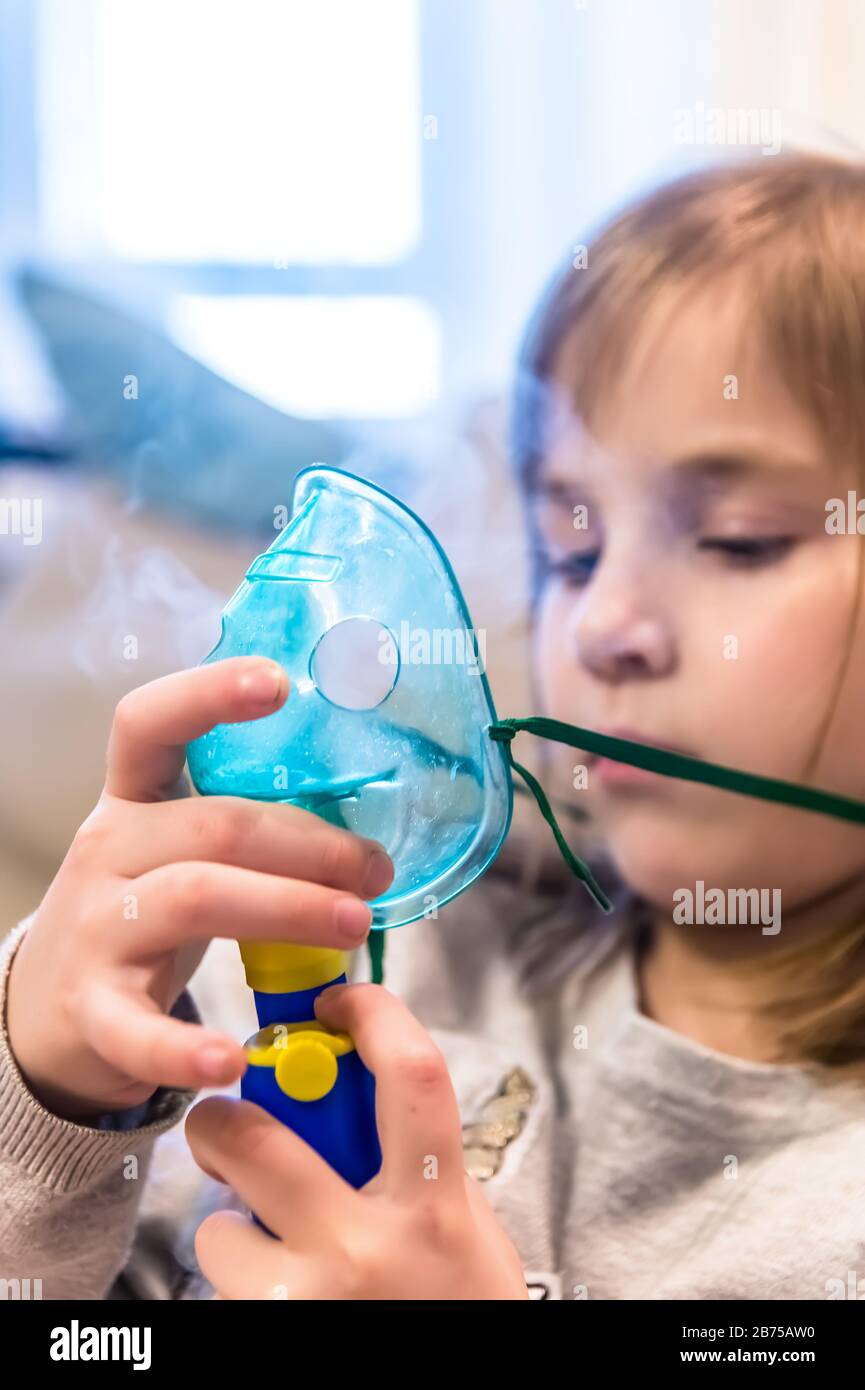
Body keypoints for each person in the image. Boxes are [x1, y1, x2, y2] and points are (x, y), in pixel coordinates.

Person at [3, 151, 865, 1301]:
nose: (603, 621)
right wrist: (46, 1096)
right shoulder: (412, 965)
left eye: (737, 537)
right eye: (570, 548)